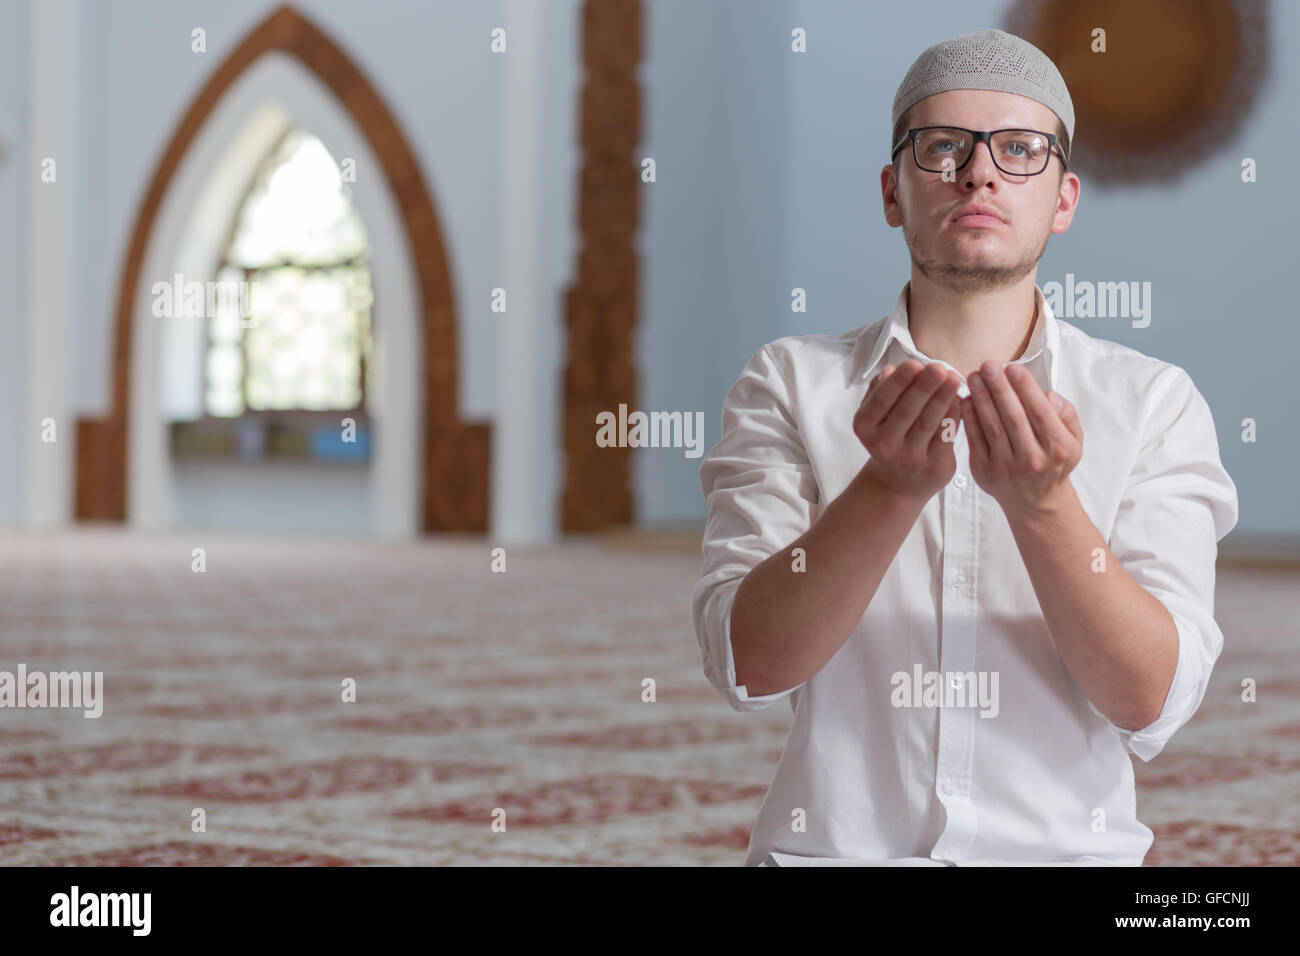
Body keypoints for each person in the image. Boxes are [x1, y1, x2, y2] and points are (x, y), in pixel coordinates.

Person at [691, 28, 1238, 866]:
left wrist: (1046, 508)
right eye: (942, 146)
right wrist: (885, 493)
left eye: (1020, 149)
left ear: (1063, 198)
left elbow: (1148, 699)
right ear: (892, 190)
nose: (979, 172)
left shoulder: (1153, 403)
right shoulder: (790, 383)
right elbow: (750, 666)